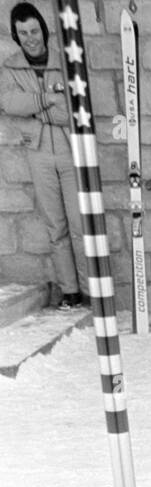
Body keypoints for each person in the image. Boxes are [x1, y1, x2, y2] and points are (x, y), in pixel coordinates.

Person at [0, 2, 88, 307]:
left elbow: (74, 110)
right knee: (56, 226)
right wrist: (50, 98)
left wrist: (37, 107)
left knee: (80, 223)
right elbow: (10, 104)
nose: (30, 38)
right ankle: (70, 291)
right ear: (16, 35)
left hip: (69, 151)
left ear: (43, 30)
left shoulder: (65, 61)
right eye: (22, 32)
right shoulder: (11, 66)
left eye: (34, 30)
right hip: (37, 152)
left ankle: (92, 289)